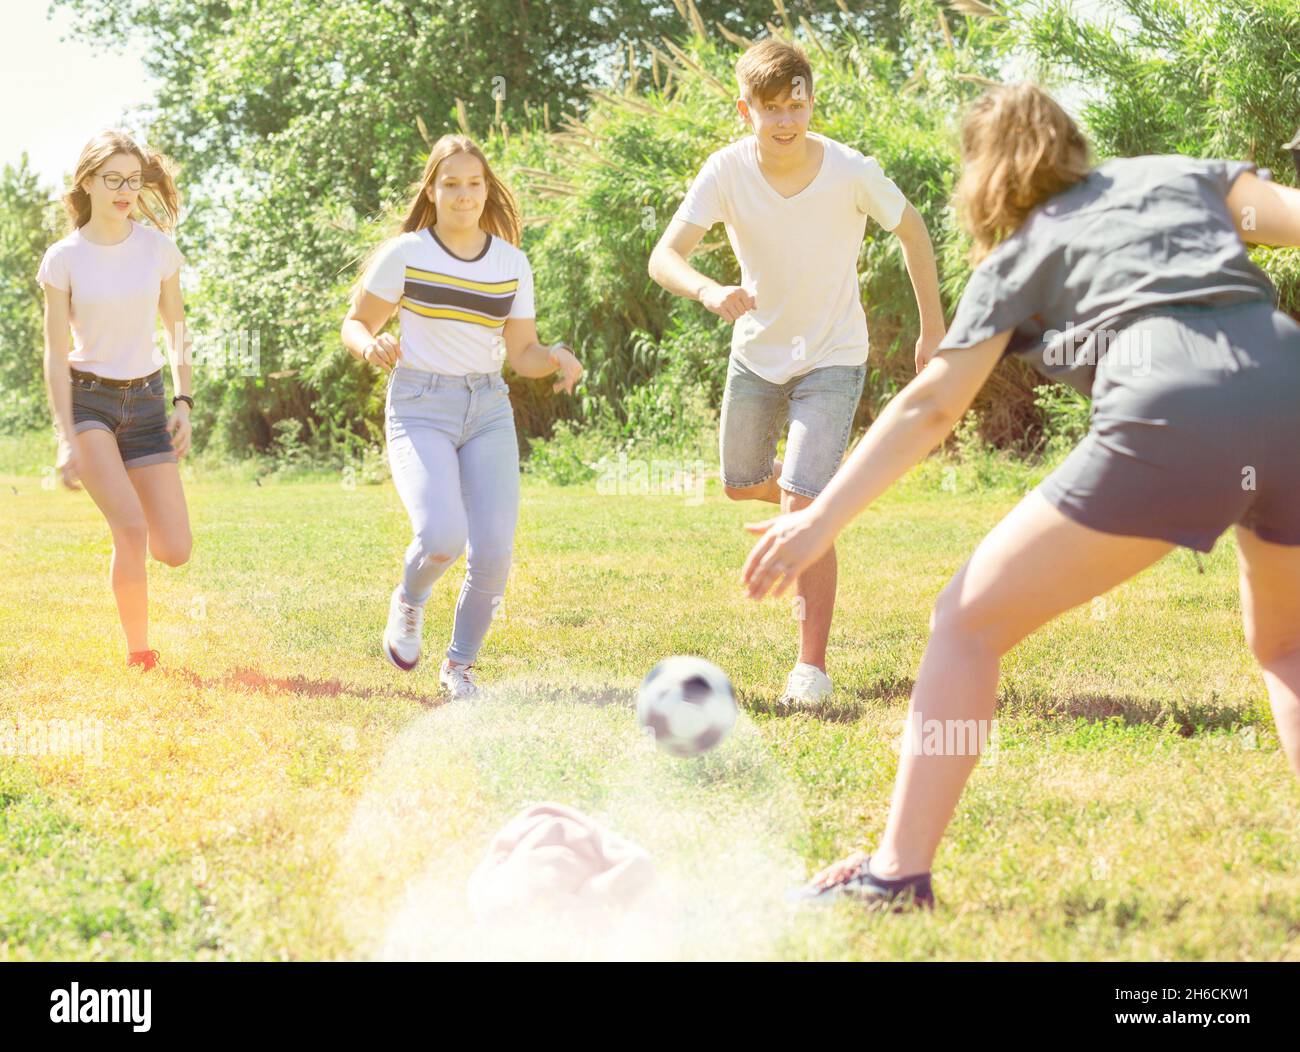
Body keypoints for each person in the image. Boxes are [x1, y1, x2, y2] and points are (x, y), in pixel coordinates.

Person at [742, 83, 1300, 909]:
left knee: (966, 623)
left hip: (1171, 409)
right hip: (1289, 384)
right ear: (1070, 141)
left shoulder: (1017, 256)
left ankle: (895, 875)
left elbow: (932, 406)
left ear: (984, 177)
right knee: (1286, 647)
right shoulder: (1179, 175)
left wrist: (819, 520)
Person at [649, 38, 946, 706]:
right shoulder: (724, 171)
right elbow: (665, 256)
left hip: (834, 355)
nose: (785, 120)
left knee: (801, 510)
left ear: (812, 100)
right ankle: (822, 498)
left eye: (796, 103)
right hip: (757, 355)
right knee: (741, 484)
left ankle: (809, 669)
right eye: (770, 108)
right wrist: (706, 290)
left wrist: (933, 326)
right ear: (743, 108)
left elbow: (914, 230)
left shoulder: (849, 170)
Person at [342, 134, 582, 698]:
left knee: (494, 553)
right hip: (420, 405)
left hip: (488, 409)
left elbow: (522, 354)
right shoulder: (406, 253)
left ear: (487, 189)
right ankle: (409, 599)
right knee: (442, 536)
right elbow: (355, 322)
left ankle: (460, 666)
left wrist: (554, 357)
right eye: (451, 184)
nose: (464, 195)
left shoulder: (511, 263)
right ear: (433, 189)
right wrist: (368, 346)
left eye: (474, 184)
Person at [38, 131, 194, 671]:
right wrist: (65, 437)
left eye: (133, 180)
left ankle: (138, 561)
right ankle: (140, 652)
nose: (126, 190)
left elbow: (176, 328)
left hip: (149, 400)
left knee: (173, 549)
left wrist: (184, 402)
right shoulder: (64, 259)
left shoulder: (157, 248)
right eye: (113, 180)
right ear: (88, 182)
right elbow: (54, 353)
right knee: (129, 528)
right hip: (89, 404)